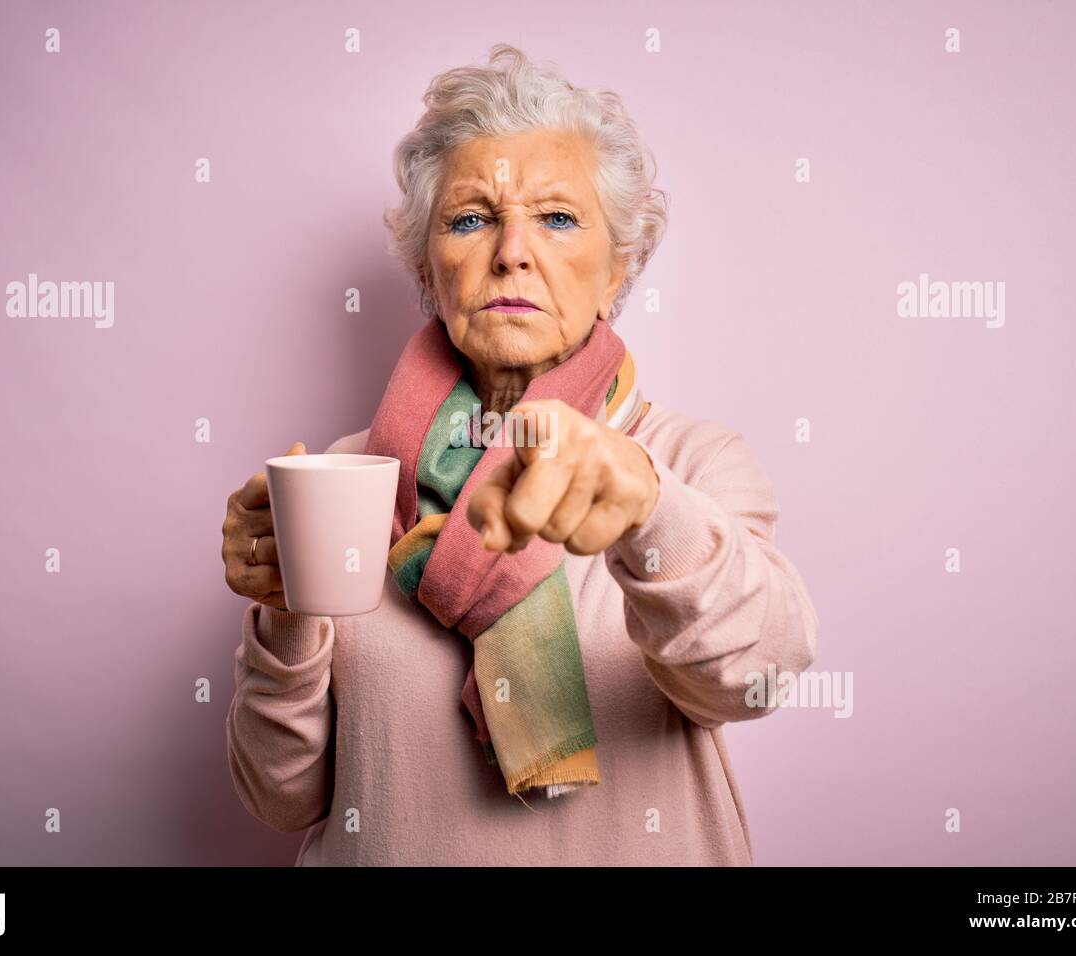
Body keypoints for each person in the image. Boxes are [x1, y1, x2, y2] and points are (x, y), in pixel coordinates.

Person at [220, 44, 819, 865]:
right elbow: (279, 796)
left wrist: (646, 508)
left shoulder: (689, 462)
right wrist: (286, 615)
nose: (512, 251)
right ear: (430, 270)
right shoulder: (344, 479)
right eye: (470, 219)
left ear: (619, 269)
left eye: (559, 217)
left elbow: (758, 676)